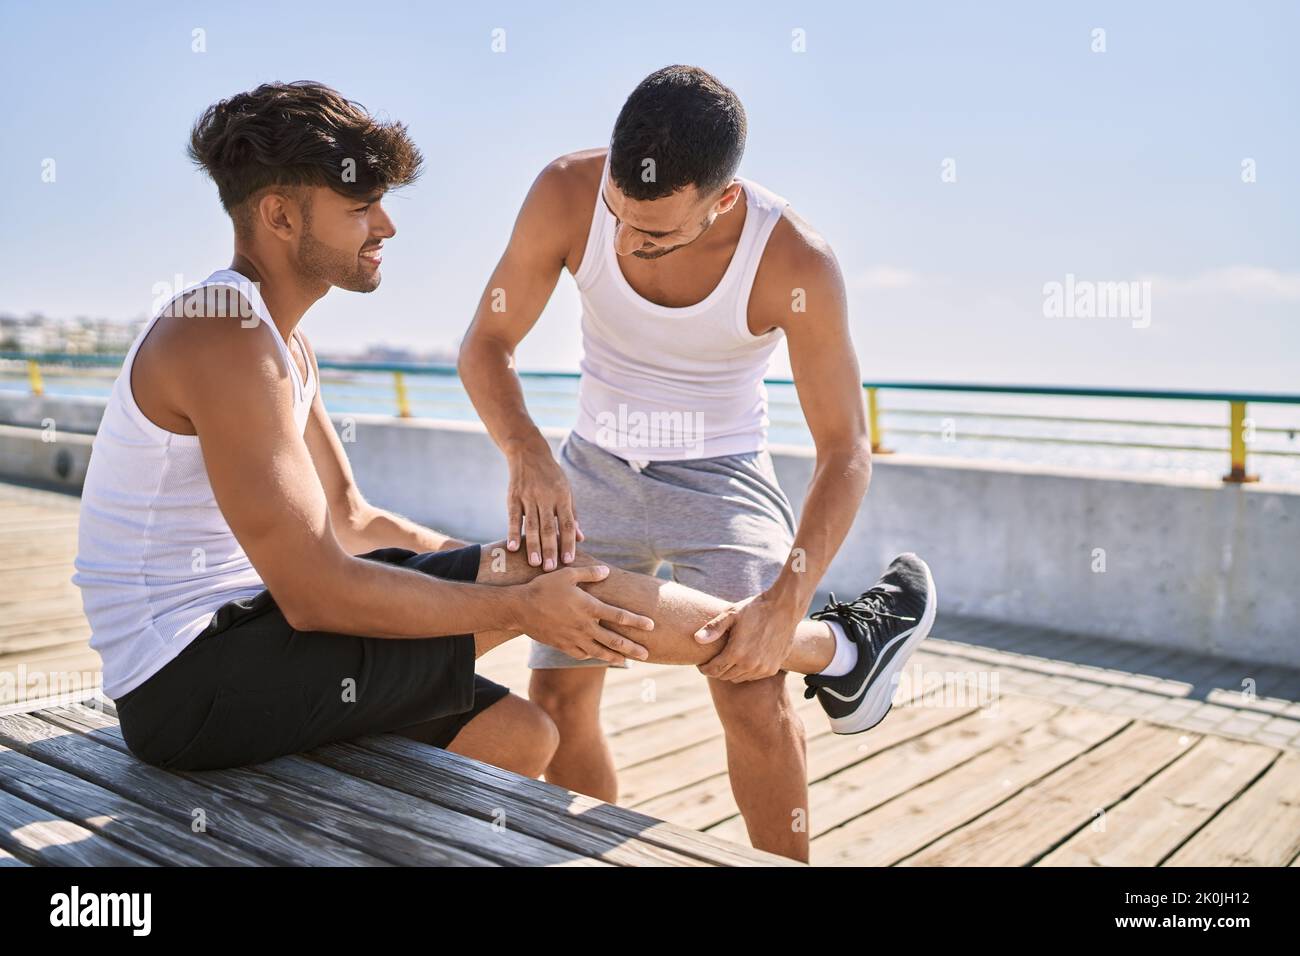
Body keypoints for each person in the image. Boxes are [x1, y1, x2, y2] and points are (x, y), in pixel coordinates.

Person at [72, 82, 935, 830]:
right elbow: (314, 590)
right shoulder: (223, 339)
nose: (388, 225)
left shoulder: (283, 346)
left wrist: (508, 570)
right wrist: (521, 602)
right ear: (280, 215)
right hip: (189, 680)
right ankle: (840, 651)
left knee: (522, 733)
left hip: (255, 646)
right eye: (360, 206)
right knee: (535, 591)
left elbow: (354, 520)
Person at [458, 65, 936, 861]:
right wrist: (527, 451)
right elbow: (486, 345)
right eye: (618, 217)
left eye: (655, 236)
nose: (626, 246)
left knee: (750, 690)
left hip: (723, 472)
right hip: (591, 466)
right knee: (560, 687)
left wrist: (791, 595)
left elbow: (846, 450)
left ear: (723, 200)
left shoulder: (796, 261)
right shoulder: (566, 191)